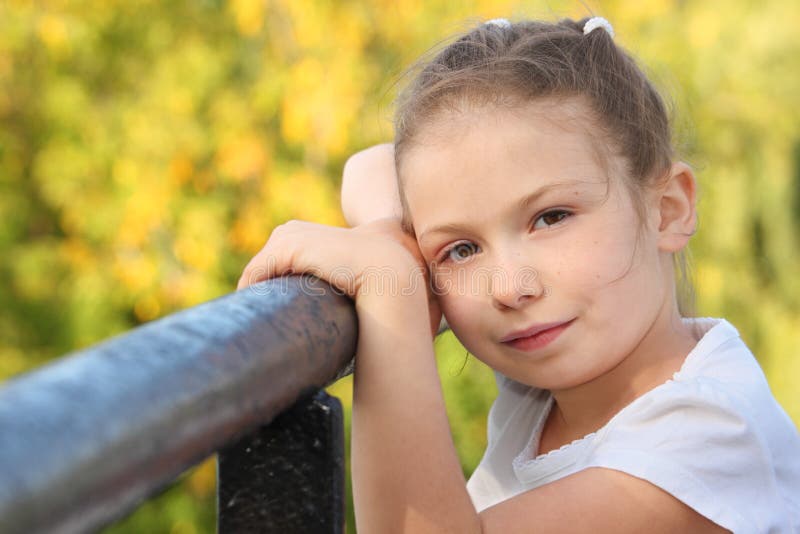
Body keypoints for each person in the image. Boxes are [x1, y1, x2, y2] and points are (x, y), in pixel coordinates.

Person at [238, 16, 800, 533]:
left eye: (550, 217)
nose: (509, 288)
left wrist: (391, 292)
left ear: (668, 208)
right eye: (461, 250)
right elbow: (369, 166)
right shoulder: (558, 377)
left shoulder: (708, 439)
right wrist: (394, 233)